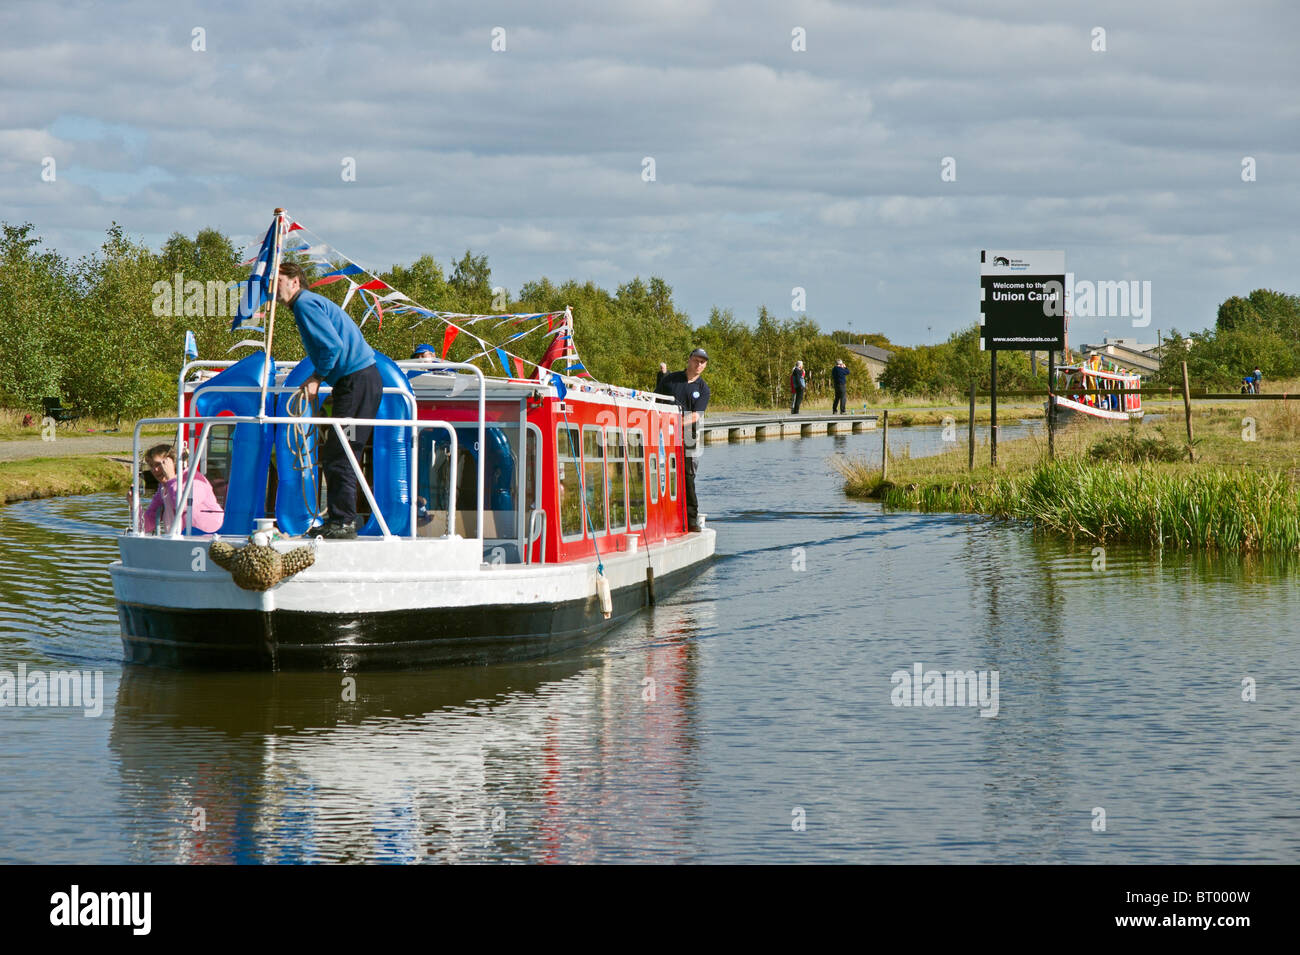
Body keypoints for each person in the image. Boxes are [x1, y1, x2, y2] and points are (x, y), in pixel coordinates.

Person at [277, 261, 382, 539]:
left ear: (294, 282)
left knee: (341, 451)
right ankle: (342, 518)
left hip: (356, 383)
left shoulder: (304, 304)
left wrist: (316, 378)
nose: (271, 288)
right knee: (343, 449)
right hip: (356, 382)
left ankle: (343, 522)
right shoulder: (309, 303)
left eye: (276, 280)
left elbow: (332, 346)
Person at [655, 347, 710, 532]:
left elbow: (696, 415)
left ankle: (691, 519)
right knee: (660, 471)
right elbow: (655, 400)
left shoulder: (703, 389)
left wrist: (675, 422)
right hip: (664, 432)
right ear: (689, 360)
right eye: (696, 360)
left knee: (688, 476)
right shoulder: (670, 380)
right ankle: (662, 513)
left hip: (688, 435)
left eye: (702, 362)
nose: (699, 364)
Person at [131, 444, 224, 534]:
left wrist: (171, 478)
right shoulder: (163, 488)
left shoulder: (195, 479)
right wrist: (134, 504)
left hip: (210, 537)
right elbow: (146, 525)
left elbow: (182, 505)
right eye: (151, 466)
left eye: (159, 464)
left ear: (173, 463)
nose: (155, 470)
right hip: (183, 539)